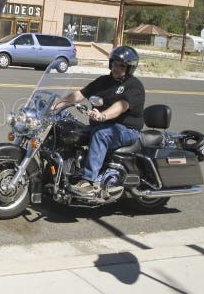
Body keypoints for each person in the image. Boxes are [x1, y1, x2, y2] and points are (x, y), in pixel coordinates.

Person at [55, 46, 145, 196]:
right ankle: (66, 171)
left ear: (129, 68)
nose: (117, 68)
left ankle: (89, 182)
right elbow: (80, 94)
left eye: (122, 65)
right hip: (105, 126)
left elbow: (121, 106)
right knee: (70, 130)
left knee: (100, 134)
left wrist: (103, 115)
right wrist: (58, 104)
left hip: (126, 129)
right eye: (115, 64)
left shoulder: (134, 86)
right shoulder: (103, 81)